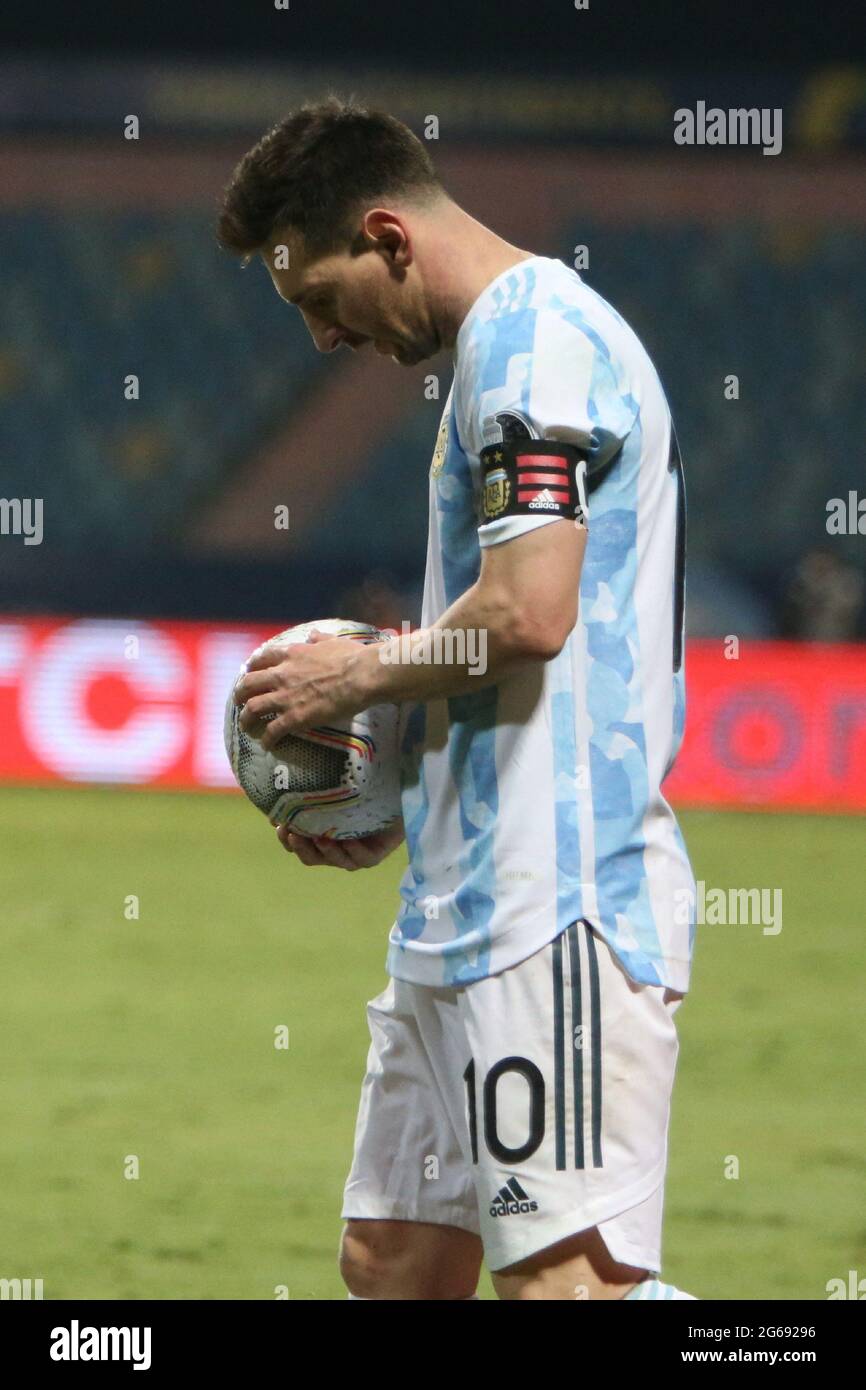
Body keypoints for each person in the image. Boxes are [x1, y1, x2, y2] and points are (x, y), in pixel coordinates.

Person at [218, 97, 697, 1301]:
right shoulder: (500, 350)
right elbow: (501, 647)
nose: (323, 338)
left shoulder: (537, 345)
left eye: (319, 300)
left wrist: (360, 671)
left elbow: (528, 612)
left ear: (385, 236)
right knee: (393, 1266)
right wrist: (403, 788)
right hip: (466, 897)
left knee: (565, 1291)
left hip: (556, 902)